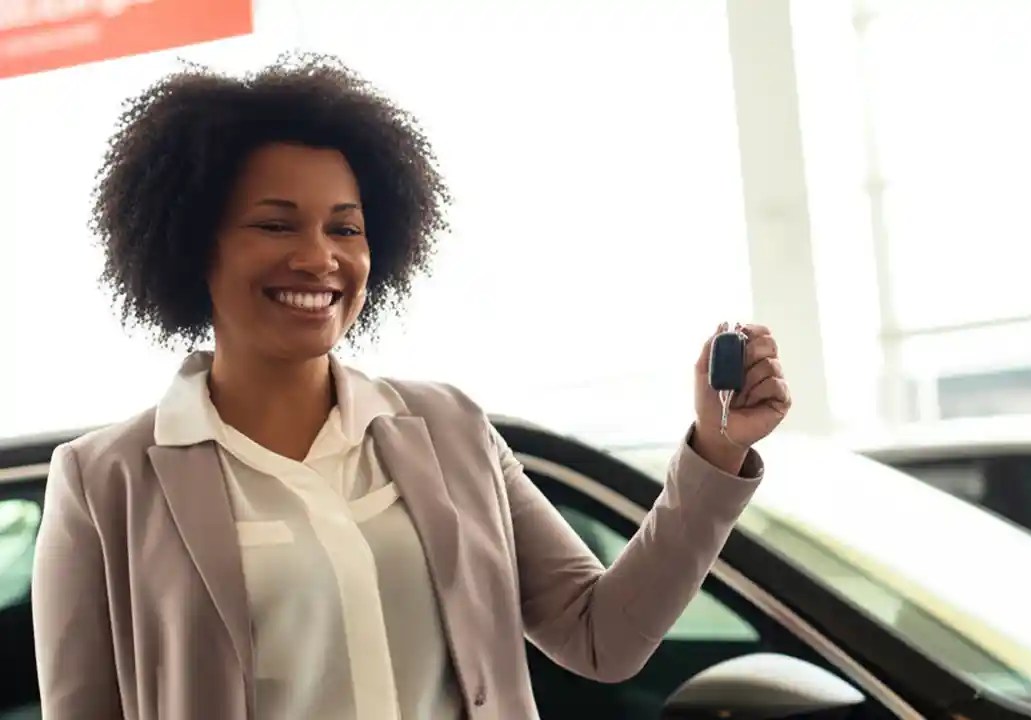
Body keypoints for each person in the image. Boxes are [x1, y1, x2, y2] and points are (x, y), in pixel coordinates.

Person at [31, 53, 791, 720]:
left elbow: (602, 638)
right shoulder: (104, 483)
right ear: (195, 244)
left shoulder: (449, 427)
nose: (319, 258)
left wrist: (717, 449)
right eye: (275, 225)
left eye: (345, 228)